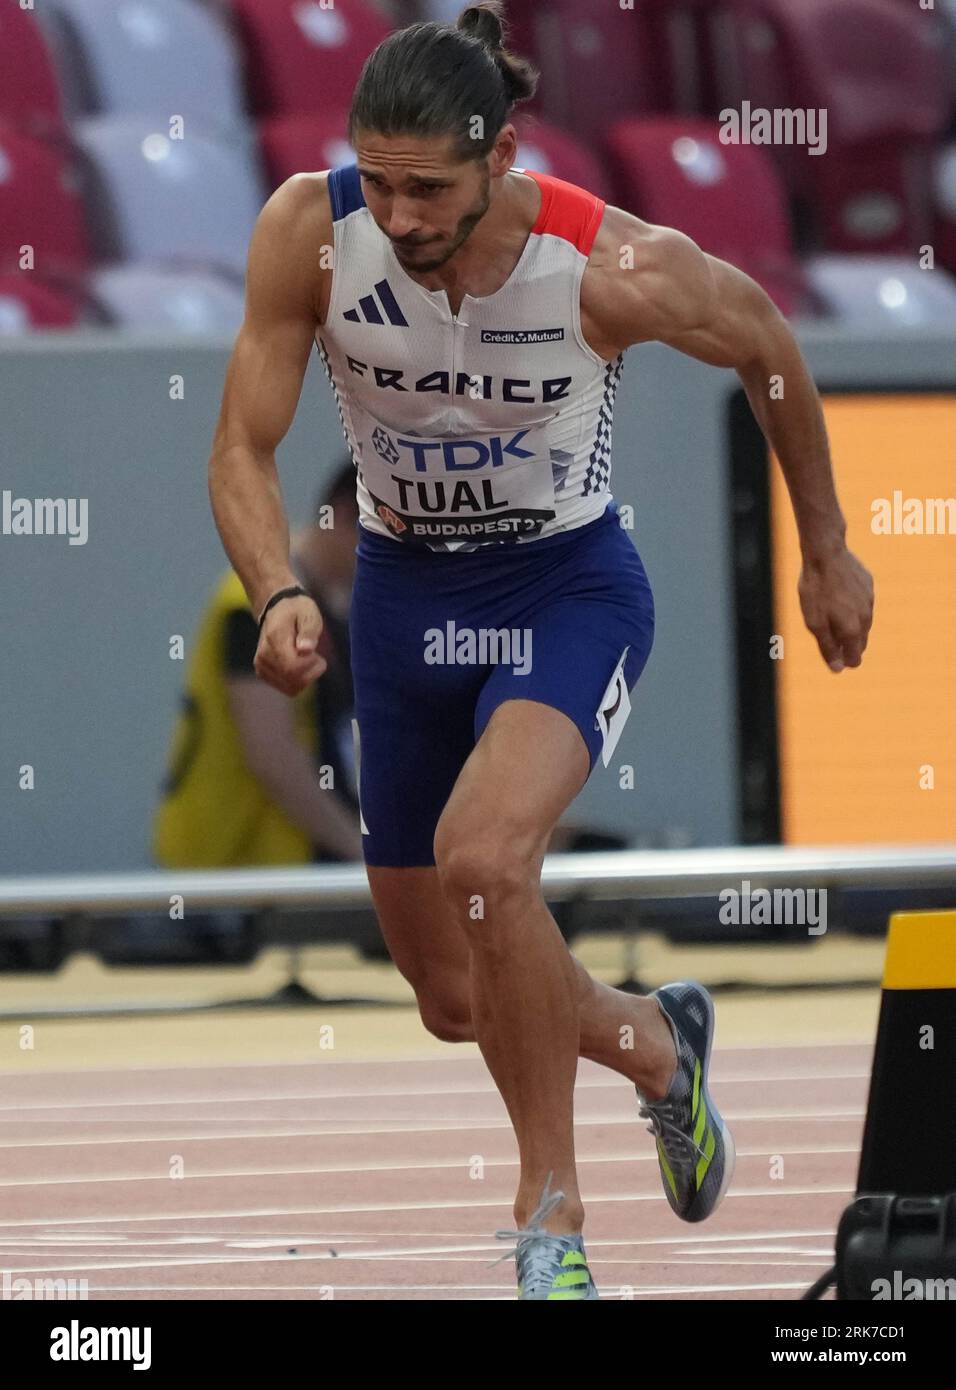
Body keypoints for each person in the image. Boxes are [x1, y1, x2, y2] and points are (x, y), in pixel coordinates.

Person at [207, 2, 874, 1299]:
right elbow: (241, 441)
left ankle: (548, 1217)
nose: (397, 216)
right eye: (378, 182)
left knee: (484, 857)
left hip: (564, 588)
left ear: (501, 156)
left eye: (428, 189)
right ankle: (656, 1045)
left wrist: (827, 548)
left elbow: (766, 347)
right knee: (455, 995)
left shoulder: (609, 264)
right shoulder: (311, 231)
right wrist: (278, 586)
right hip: (402, 599)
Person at [154, 461, 362, 869]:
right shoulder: (255, 605)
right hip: (232, 868)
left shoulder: (335, 608)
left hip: (290, 866)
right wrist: (361, 851)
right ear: (343, 516)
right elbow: (272, 754)